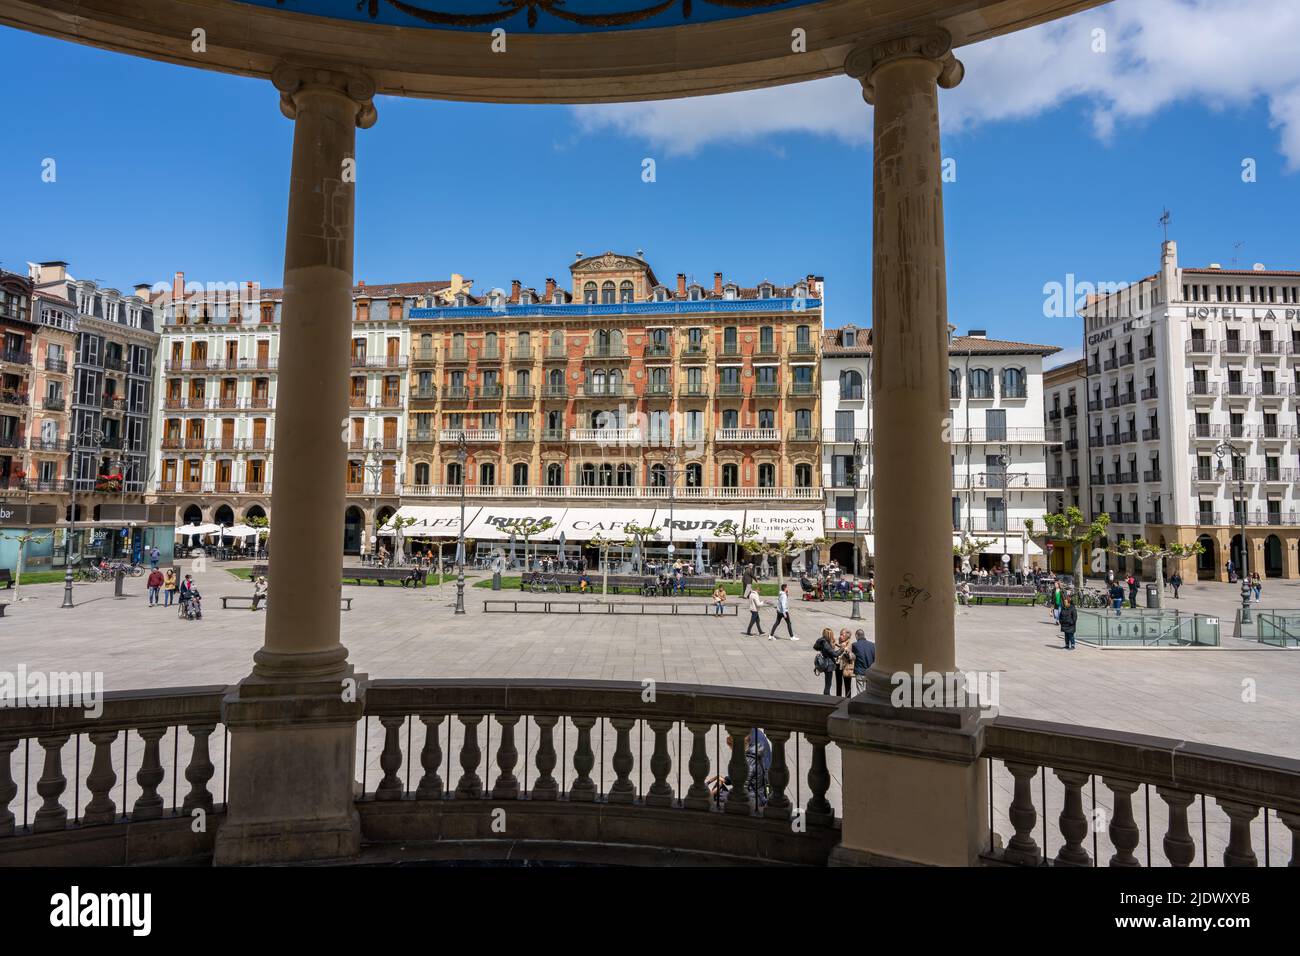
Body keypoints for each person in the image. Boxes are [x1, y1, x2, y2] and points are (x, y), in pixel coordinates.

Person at [851, 629, 875, 695]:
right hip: (870, 672)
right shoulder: (872, 645)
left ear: (856, 635)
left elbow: (852, 657)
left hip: (860, 672)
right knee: (869, 692)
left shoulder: (855, 645)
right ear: (864, 635)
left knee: (860, 693)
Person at [814, 628, 837, 695]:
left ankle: (826, 694)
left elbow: (815, 647)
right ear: (830, 635)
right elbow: (835, 654)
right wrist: (842, 649)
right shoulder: (826, 644)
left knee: (827, 681)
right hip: (828, 665)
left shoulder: (822, 641)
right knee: (828, 683)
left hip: (824, 663)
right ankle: (826, 695)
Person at [835, 628, 854, 698]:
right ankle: (838, 698)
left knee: (847, 685)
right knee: (838, 684)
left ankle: (848, 700)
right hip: (838, 666)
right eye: (840, 634)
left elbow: (852, 657)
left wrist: (845, 650)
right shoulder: (839, 642)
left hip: (846, 667)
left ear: (847, 636)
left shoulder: (850, 645)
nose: (840, 636)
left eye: (842, 635)